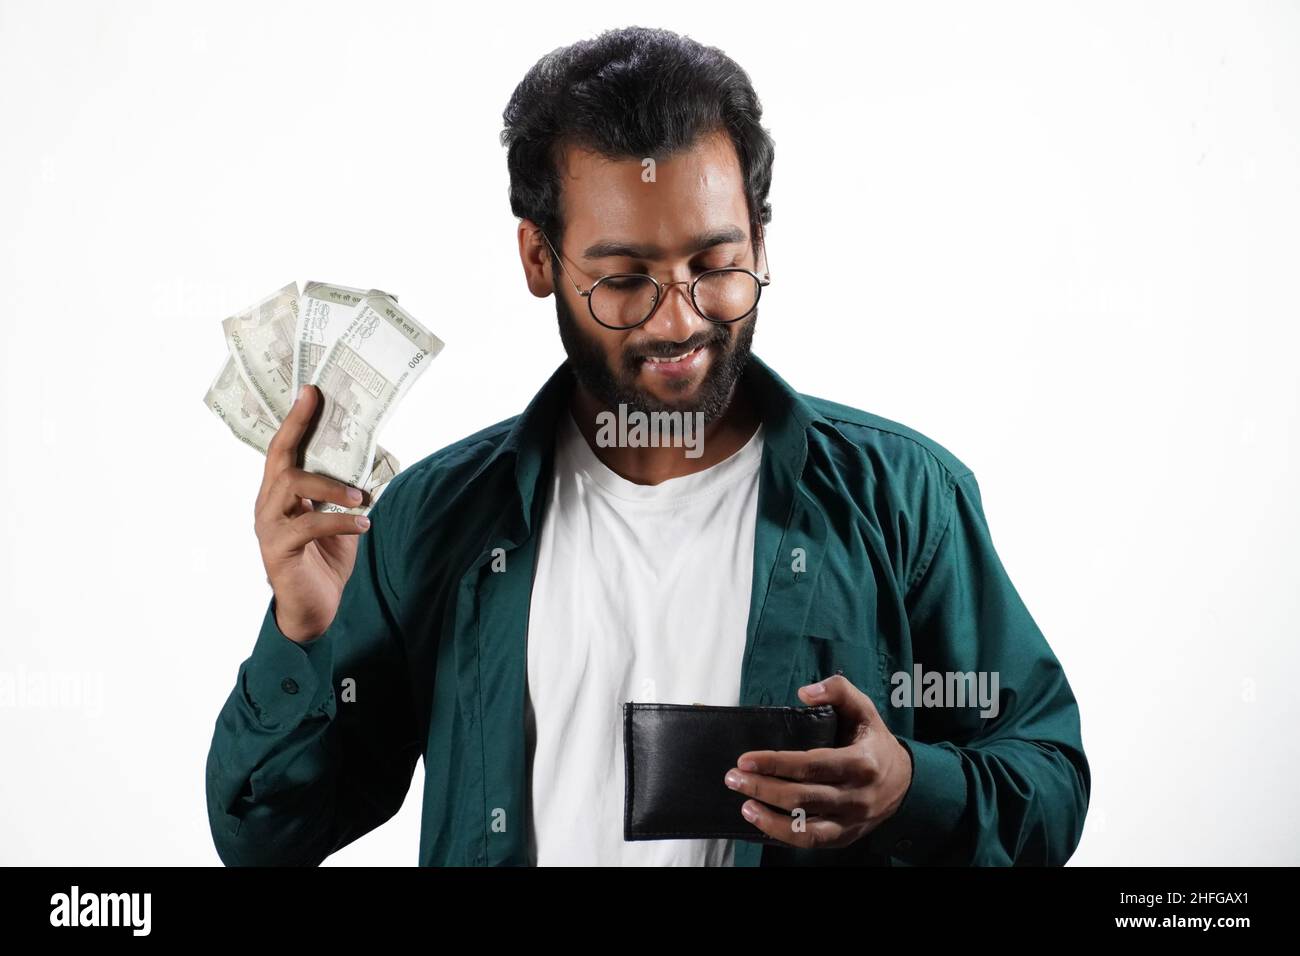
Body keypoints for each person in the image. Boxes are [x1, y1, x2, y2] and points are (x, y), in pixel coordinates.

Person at [205, 25, 1089, 867]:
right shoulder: (433, 523)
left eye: (715, 265)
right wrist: (306, 634)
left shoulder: (906, 499)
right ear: (539, 259)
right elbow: (266, 841)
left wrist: (910, 789)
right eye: (625, 279)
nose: (680, 319)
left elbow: (1047, 784)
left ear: (762, 241)